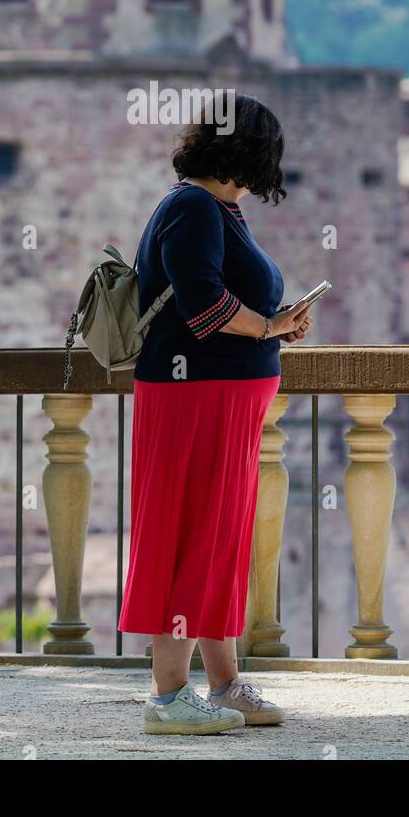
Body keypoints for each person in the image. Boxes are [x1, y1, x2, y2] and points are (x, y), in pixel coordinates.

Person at [118, 93, 313, 735]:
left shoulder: (220, 210)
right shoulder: (194, 206)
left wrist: (273, 328)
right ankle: (168, 695)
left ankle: (224, 684)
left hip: (221, 399)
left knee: (220, 538)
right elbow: (204, 306)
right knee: (188, 533)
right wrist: (268, 327)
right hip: (192, 396)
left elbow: (219, 301)